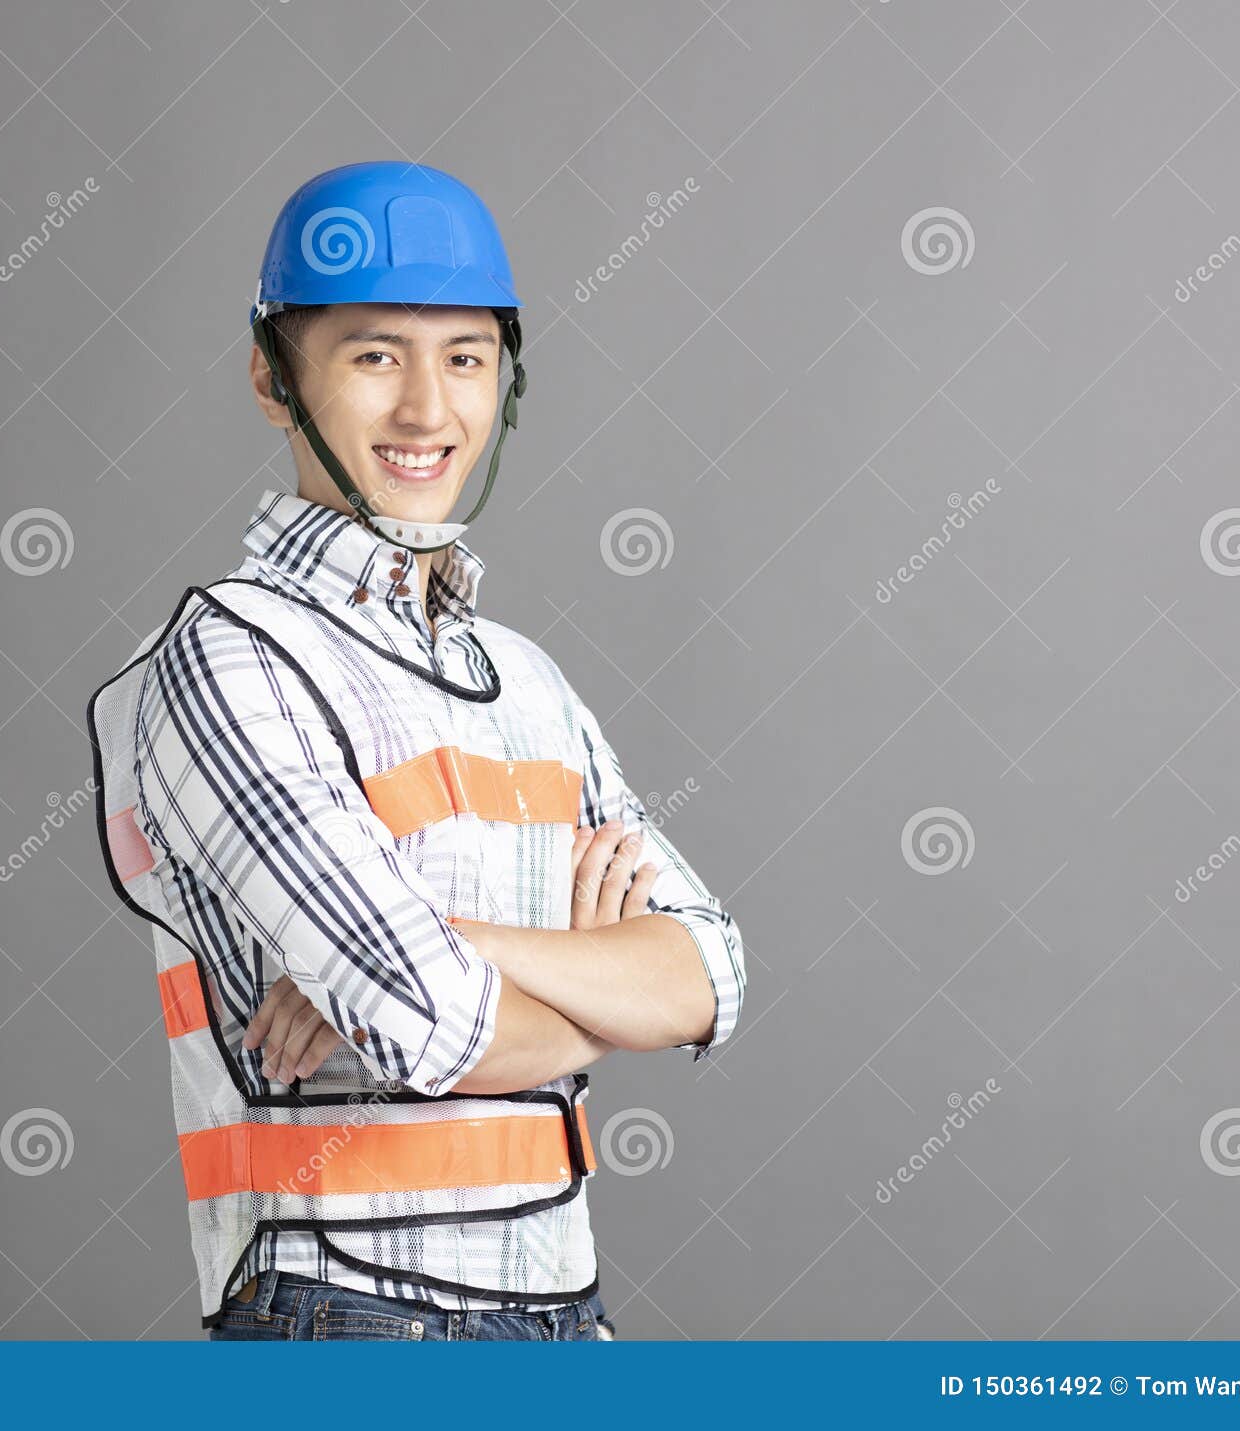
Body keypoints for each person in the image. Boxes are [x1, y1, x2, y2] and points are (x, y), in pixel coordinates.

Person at [86, 160, 746, 1342]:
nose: (427, 413)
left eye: (466, 359)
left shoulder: (526, 681)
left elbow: (711, 976)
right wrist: (603, 990)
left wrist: (473, 947)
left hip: (566, 1313)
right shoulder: (231, 660)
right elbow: (438, 1025)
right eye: (374, 355)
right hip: (341, 1320)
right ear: (271, 378)